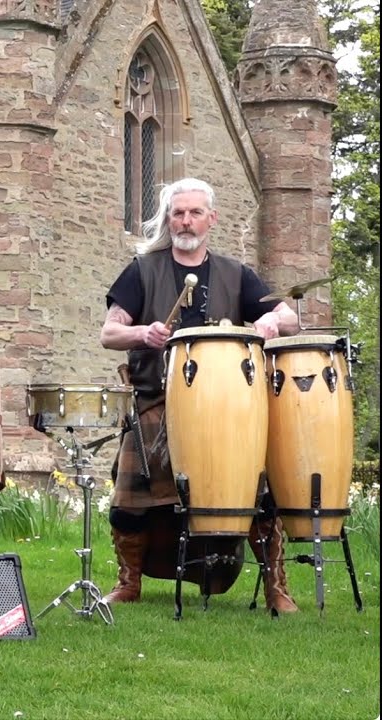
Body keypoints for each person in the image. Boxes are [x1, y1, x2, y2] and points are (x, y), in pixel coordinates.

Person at [99, 177, 301, 612]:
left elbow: (290, 318)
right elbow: (109, 332)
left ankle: (276, 587)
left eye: (194, 212)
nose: (185, 221)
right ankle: (129, 580)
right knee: (128, 495)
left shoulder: (236, 274)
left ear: (212, 218)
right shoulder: (142, 270)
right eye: (177, 212)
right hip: (157, 402)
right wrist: (141, 332)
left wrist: (271, 322)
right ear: (169, 219)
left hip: (231, 411)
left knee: (260, 494)